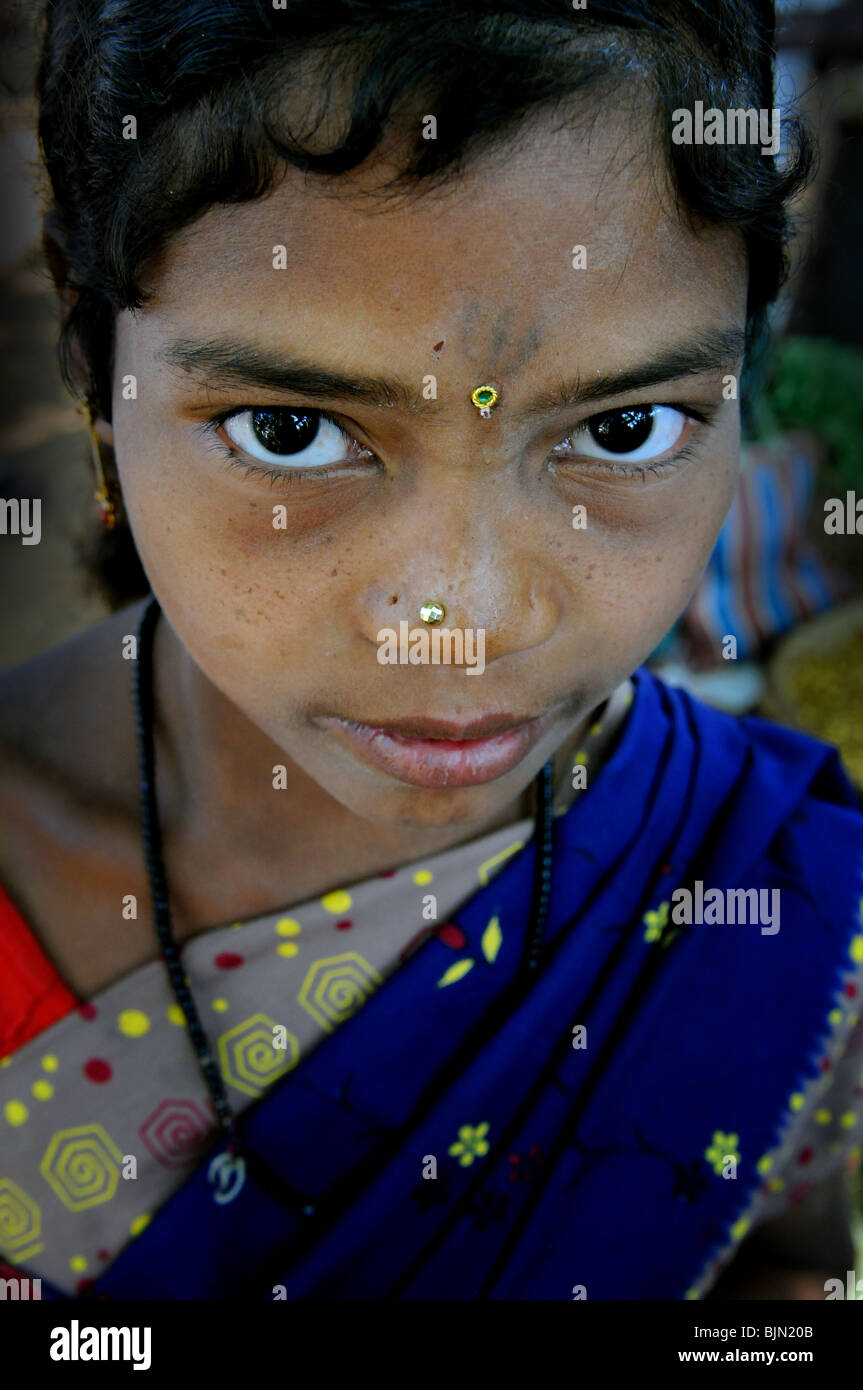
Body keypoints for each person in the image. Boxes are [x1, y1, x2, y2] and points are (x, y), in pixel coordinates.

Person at [0, 0, 860, 1301]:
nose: (460, 621)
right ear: (90, 364)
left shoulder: (773, 895)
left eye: (625, 431)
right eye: (289, 429)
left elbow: (777, 1257)